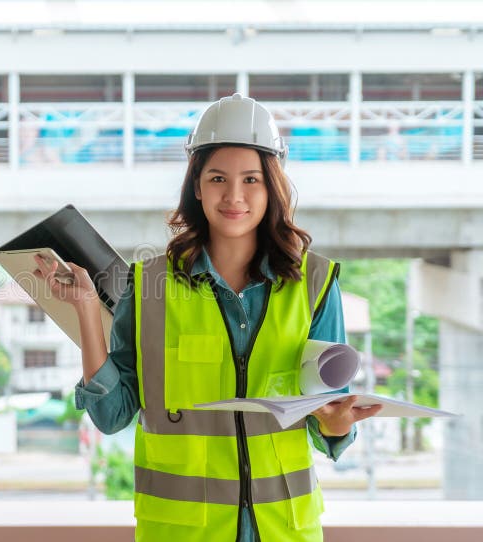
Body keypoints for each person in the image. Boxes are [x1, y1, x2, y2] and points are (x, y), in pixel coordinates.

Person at [34, 93, 381, 542]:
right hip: (180, 532)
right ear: (197, 186)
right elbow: (112, 415)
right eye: (218, 178)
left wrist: (336, 427)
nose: (234, 195)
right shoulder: (150, 287)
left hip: (284, 531)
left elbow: (327, 410)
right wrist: (84, 308)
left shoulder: (315, 283)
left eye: (251, 179)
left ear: (271, 186)